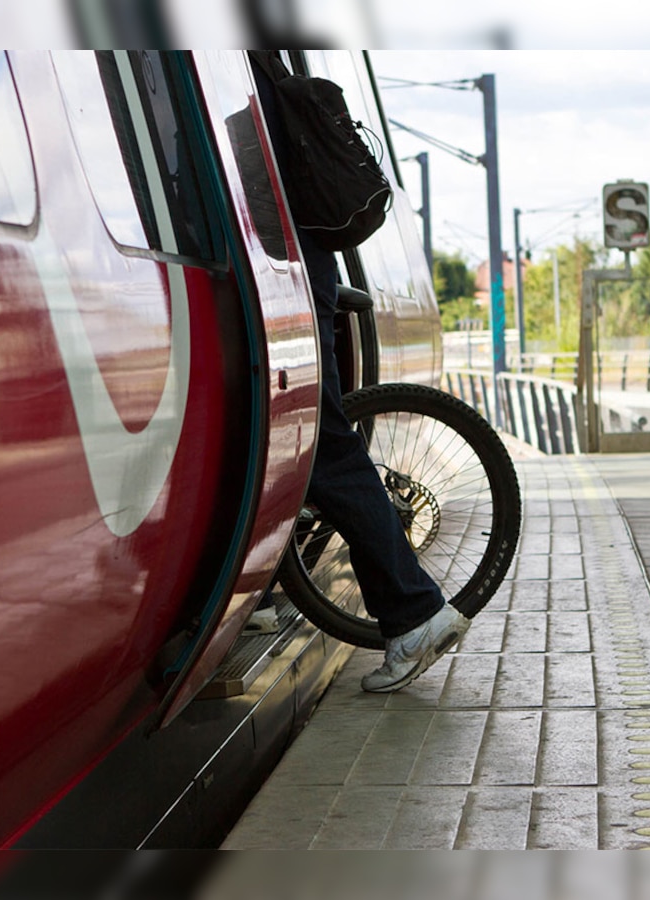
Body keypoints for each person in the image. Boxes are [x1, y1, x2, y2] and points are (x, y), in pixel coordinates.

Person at [248, 51, 468, 692]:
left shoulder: (246, 78)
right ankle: (395, 609)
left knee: (320, 450)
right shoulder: (260, 63)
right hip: (300, 270)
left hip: (288, 274)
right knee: (318, 447)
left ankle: (414, 610)